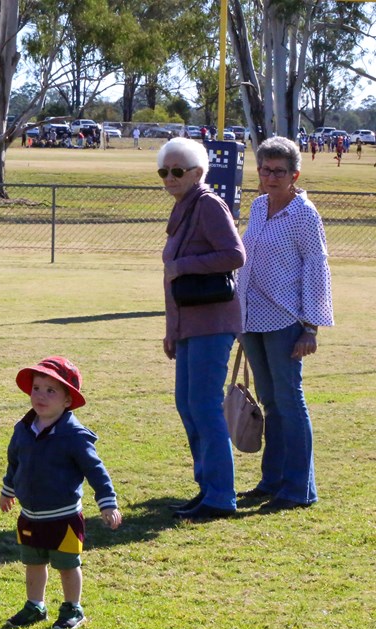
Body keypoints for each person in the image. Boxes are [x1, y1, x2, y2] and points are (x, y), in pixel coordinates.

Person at [236, 136, 334, 512]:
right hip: (252, 319)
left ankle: (299, 488)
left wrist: (311, 327)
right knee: (271, 402)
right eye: (264, 169)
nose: (270, 176)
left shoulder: (305, 214)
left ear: (295, 174)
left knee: (290, 402)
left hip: (286, 320)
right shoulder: (259, 206)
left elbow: (317, 269)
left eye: (278, 171)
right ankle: (272, 480)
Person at [157, 137, 247, 522]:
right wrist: (171, 330)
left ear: (197, 173)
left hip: (213, 322)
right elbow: (172, 277)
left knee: (206, 407)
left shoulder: (208, 204)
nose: (170, 178)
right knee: (187, 404)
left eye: (178, 171)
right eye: (164, 171)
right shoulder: (183, 208)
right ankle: (208, 487)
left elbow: (234, 254)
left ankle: (221, 496)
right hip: (190, 324)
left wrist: (187, 265)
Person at [0, 357, 121, 629]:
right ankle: (35, 605)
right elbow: (14, 461)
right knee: (33, 563)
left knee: (67, 565)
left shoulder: (74, 435)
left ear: (68, 400)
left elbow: (95, 469)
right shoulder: (23, 428)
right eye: (37, 388)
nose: (40, 395)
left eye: (50, 390)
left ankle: (73, 609)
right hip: (29, 516)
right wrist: (8, 489)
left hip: (63, 518)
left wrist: (107, 503)